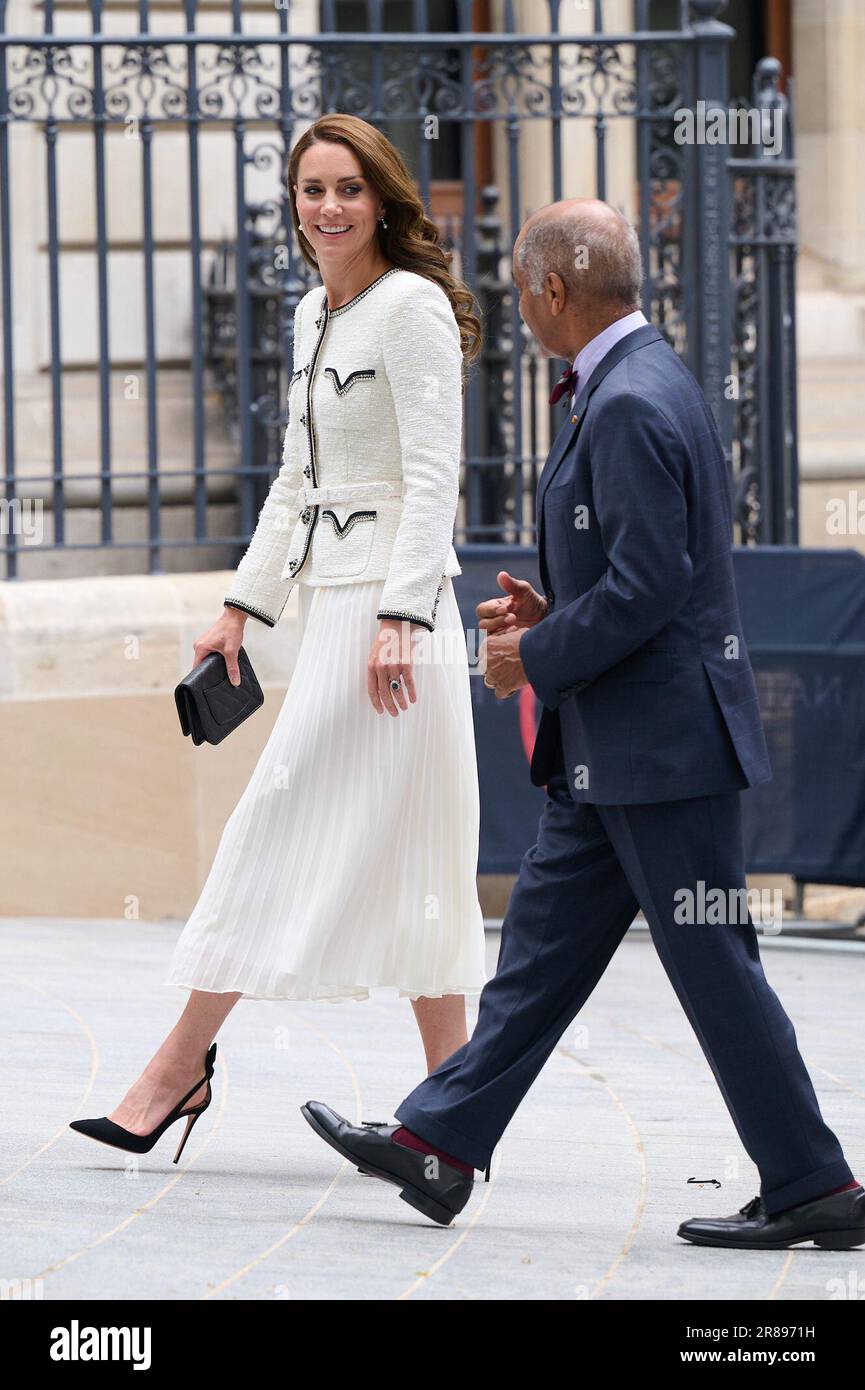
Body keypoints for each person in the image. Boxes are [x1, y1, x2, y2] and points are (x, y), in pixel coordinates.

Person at [301, 198, 864, 1251]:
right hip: (621, 750)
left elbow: (655, 586)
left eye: (522, 295)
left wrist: (532, 656)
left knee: (713, 966)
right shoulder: (635, 380)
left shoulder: (629, 402)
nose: (521, 314)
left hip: (661, 752)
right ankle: (442, 1141)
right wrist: (552, 614)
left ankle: (813, 1183)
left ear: (554, 291)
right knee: (539, 956)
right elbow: (651, 575)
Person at [68, 114, 487, 1162]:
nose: (330, 208)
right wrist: (243, 608)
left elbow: (438, 473)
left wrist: (402, 615)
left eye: (349, 189)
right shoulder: (312, 312)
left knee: (288, 826)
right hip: (338, 611)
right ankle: (453, 1118)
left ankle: (177, 1068)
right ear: (293, 205)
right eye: (312, 191)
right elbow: (297, 483)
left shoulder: (413, 308)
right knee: (416, 859)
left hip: (397, 625)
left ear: (383, 200)